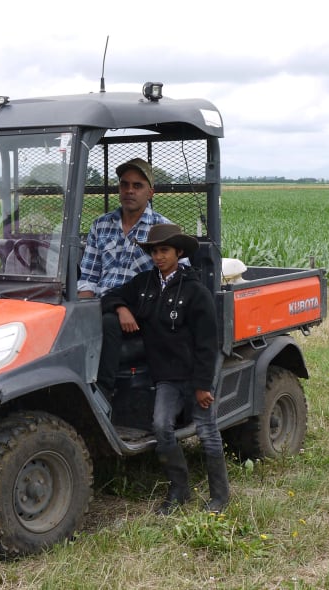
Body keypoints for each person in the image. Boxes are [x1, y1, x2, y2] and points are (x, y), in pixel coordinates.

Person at [101, 224, 229, 515]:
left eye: (164, 251)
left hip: (194, 375)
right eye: (154, 251)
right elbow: (110, 296)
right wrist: (121, 308)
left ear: (178, 252)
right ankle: (179, 490)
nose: (158, 257)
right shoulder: (144, 284)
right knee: (161, 427)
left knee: (207, 431)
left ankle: (219, 497)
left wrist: (202, 386)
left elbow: (207, 343)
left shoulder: (195, 291)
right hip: (166, 378)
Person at [78, 158, 172, 398]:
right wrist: (82, 310)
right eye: (124, 184)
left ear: (150, 192)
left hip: (143, 311)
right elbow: (88, 276)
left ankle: (103, 395)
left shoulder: (162, 229)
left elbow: (172, 285)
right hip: (105, 303)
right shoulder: (101, 225)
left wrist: (123, 307)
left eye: (138, 186)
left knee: (109, 322)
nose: (129, 190)